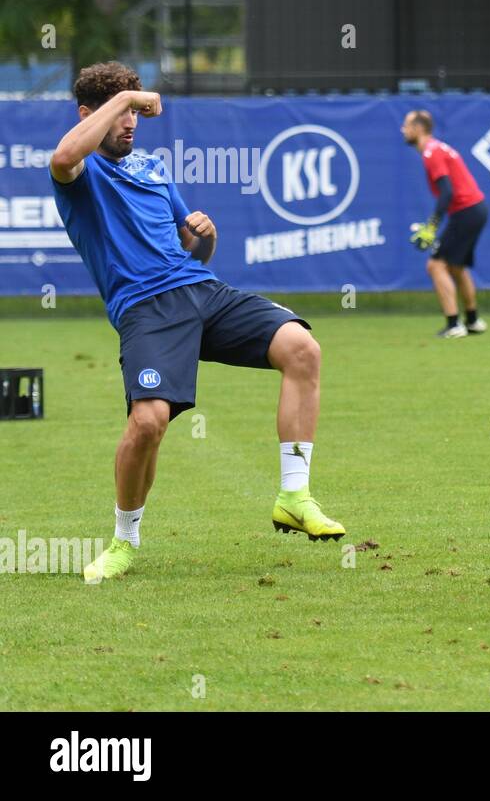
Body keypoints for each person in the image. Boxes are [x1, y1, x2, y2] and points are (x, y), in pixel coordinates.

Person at [48, 62, 345, 583]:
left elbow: (193, 251)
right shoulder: (81, 173)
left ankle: (294, 496)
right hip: (146, 310)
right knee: (147, 423)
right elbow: (64, 156)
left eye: (136, 114)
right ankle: (125, 540)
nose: (131, 124)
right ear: (89, 113)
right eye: (122, 113)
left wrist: (203, 233)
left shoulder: (154, 168)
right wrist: (130, 99)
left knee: (302, 349)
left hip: (202, 292)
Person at [401, 110, 489, 339]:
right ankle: (472, 320)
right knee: (456, 267)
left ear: (419, 129)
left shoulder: (431, 152)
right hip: (476, 209)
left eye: (407, 125)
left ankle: (453, 325)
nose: (403, 129)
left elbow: (447, 193)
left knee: (435, 265)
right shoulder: (436, 149)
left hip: (466, 210)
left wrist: (431, 227)